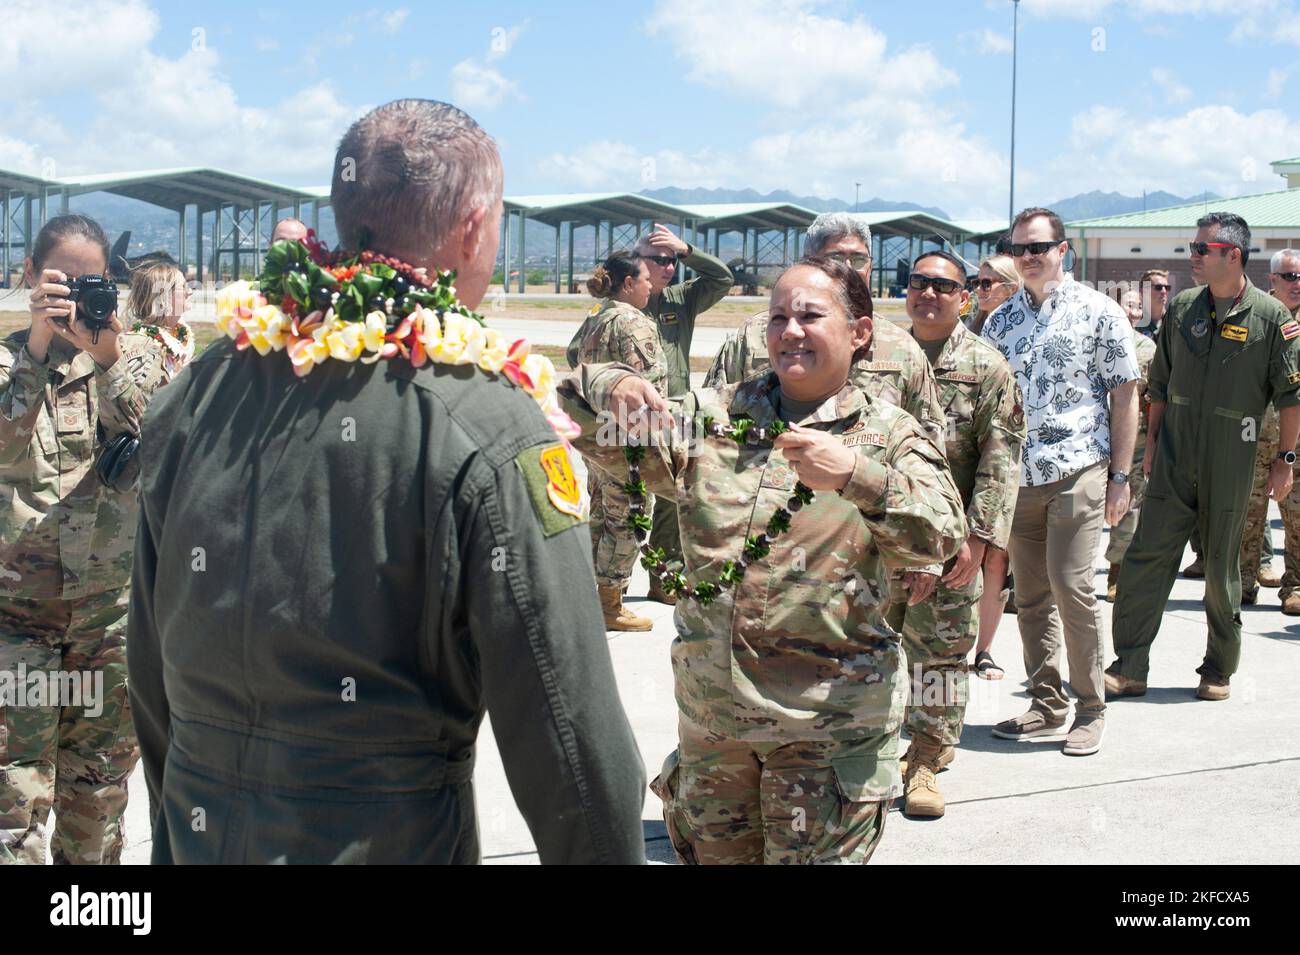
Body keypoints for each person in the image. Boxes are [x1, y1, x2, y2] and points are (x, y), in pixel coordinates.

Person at [127, 98, 647, 864]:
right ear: (474, 226)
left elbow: (153, 671)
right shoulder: (491, 426)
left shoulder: (197, 391)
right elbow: (572, 745)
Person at [561, 257, 967, 864]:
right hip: (715, 731)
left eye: (809, 315)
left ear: (858, 333)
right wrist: (611, 381)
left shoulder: (890, 435)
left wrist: (857, 476)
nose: (790, 331)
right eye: (778, 317)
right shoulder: (714, 419)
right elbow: (575, 411)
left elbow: (941, 536)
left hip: (825, 738)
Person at [0, 214, 165, 864]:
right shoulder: (11, 361)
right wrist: (38, 348)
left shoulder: (137, 357)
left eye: (87, 282)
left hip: (108, 632)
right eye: (57, 281)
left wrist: (108, 351)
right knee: (13, 808)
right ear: (30, 279)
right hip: (21, 631)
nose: (73, 297)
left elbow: (167, 430)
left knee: (95, 811)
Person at [1108, 214, 1300, 702]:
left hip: (1233, 456)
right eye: (1193, 248)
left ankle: (1218, 669)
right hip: (1175, 454)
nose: (1192, 257)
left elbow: (1290, 399)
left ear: (1232, 255)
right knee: (1146, 558)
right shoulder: (1183, 309)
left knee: (1221, 567)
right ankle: (1129, 665)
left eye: (1201, 249)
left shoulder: (1271, 317)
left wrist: (1286, 460)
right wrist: (1150, 449)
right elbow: (1161, 387)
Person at [981, 207, 1140, 757]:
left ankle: (1090, 708)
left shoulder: (1100, 312)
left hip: (1080, 467)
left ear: (1063, 250)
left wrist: (1120, 478)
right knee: (1028, 595)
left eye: (1039, 247)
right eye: (1019, 247)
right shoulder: (1000, 323)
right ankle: (1046, 703)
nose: (1028, 257)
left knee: (1073, 587)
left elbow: (1125, 396)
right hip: (1019, 478)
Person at [891, 251, 1023, 818]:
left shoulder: (986, 365)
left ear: (965, 296)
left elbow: (1002, 457)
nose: (928, 293)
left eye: (943, 286)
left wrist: (981, 537)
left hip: (949, 544)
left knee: (940, 657)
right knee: (861, 651)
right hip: (877, 538)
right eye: (919, 282)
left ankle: (926, 760)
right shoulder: (878, 358)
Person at [704, 212, 946, 452]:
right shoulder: (755, 336)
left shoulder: (902, 348)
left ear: (870, 267)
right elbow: (712, 418)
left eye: (859, 259)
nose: (849, 268)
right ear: (810, 262)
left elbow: (928, 442)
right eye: (836, 257)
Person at [567, 251, 665, 630]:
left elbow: (574, 357)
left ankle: (600, 594)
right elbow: (650, 383)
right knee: (631, 517)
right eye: (645, 280)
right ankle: (611, 603)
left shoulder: (597, 316)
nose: (650, 286)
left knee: (602, 512)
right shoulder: (632, 322)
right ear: (628, 284)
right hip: (628, 439)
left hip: (597, 433)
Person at [636, 223, 733, 604]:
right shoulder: (625, 302)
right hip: (629, 417)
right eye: (660, 259)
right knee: (620, 500)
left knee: (672, 498)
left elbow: (722, 279)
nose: (669, 266)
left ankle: (665, 578)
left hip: (676, 414)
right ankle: (611, 585)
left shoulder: (681, 300)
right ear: (638, 262)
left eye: (674, 260)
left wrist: (687, 248)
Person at [967, 253, 1024, 679]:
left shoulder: (1022, 332)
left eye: (989, 283)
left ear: (1012, 287)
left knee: (995, 559)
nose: (980, 290)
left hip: (1005, 457)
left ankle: (984, 649)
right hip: (963, 455)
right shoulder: (963, 330)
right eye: (978, 282)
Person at [1236, 249, 1300, 614]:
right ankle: (1242, 583)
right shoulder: (1257, 317)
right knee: (1248, 514)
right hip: (1255, 436)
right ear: (1273, 278)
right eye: (1290, 276)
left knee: (1297, 517)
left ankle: (1295, 587)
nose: (1297, 284)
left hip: (1296, 439)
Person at [1104, 289, 1159, 601]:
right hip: (1094, 438)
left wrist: (1151, 443)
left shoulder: (1147, 349)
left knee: (1128, 508)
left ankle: (1118, 571)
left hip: (1133, 443)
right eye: (1129, 304)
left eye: (1139, 307)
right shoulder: (1096, 340)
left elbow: (1153, 399)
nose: (1135, 311)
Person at [127, 259, 196, 383]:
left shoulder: (178, 334)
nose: (190, 291)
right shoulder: (143, 347)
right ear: (164, 297)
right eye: (183, 287)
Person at [966, 253, 1020, 337]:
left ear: (1012, 288)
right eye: (976, 283)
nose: (977, 289)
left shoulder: (1023, 331)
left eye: (986, 283)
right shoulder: (970, 325)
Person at [1138, 268, 1171, 340]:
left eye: (1167, 287)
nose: (1164, 291)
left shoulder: (1173, 322)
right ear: (1143, 291)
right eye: (1158, 287)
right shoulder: (1133, 321)